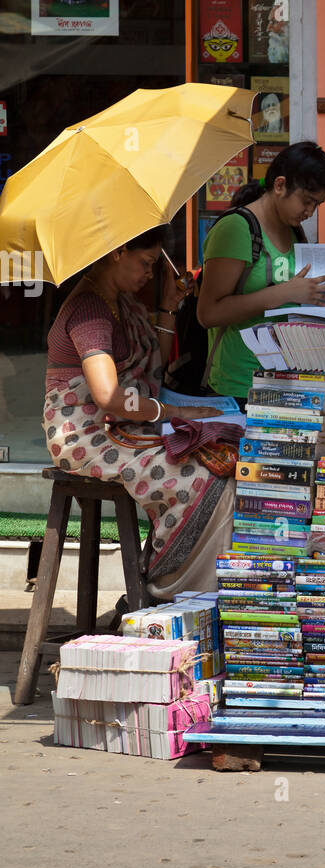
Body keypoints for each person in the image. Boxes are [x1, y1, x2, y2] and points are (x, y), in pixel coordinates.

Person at [44, 227, 234, 600]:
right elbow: (110, 397)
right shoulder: (90, 310)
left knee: (220, 458)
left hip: (122, 426)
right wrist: (173, 411)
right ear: (118, 251)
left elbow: (153, 370)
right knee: (202, 476)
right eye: (145, 263)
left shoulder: (120, 302)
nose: (150, 272)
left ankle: (186, 586)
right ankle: (165, 589)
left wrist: (167, 304)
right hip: (85, 436)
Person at [197, 142, 325, 404]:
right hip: (240, 387)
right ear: (279, 185)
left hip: (289, 379)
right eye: (306, 201)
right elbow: (208, 314)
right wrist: (283, 292)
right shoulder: (236, 229)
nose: (310, 212)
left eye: (317, 204)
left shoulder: (294, 232)